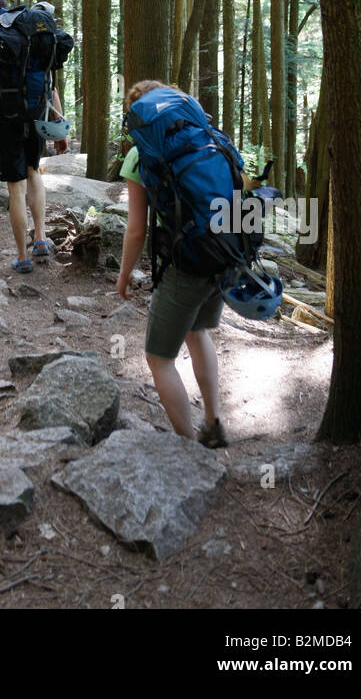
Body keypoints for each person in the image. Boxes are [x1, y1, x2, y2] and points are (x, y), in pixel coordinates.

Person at [116, 78, 228, 447]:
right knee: (198, 333)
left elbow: (135, 231)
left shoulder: (142, 155)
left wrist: (124, 275)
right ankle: (212, 422)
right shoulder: (206, 137)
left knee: (158, 357)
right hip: (224, 251)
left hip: (187, 261)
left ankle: (190, 445)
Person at [0, 0, 68, 272]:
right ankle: (40, 237)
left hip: (7, 117)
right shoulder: (33, 38)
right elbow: (51, 88)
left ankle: (23, 256)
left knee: (16, 185)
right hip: (37, 112)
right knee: (34, 172)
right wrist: (59, 127)